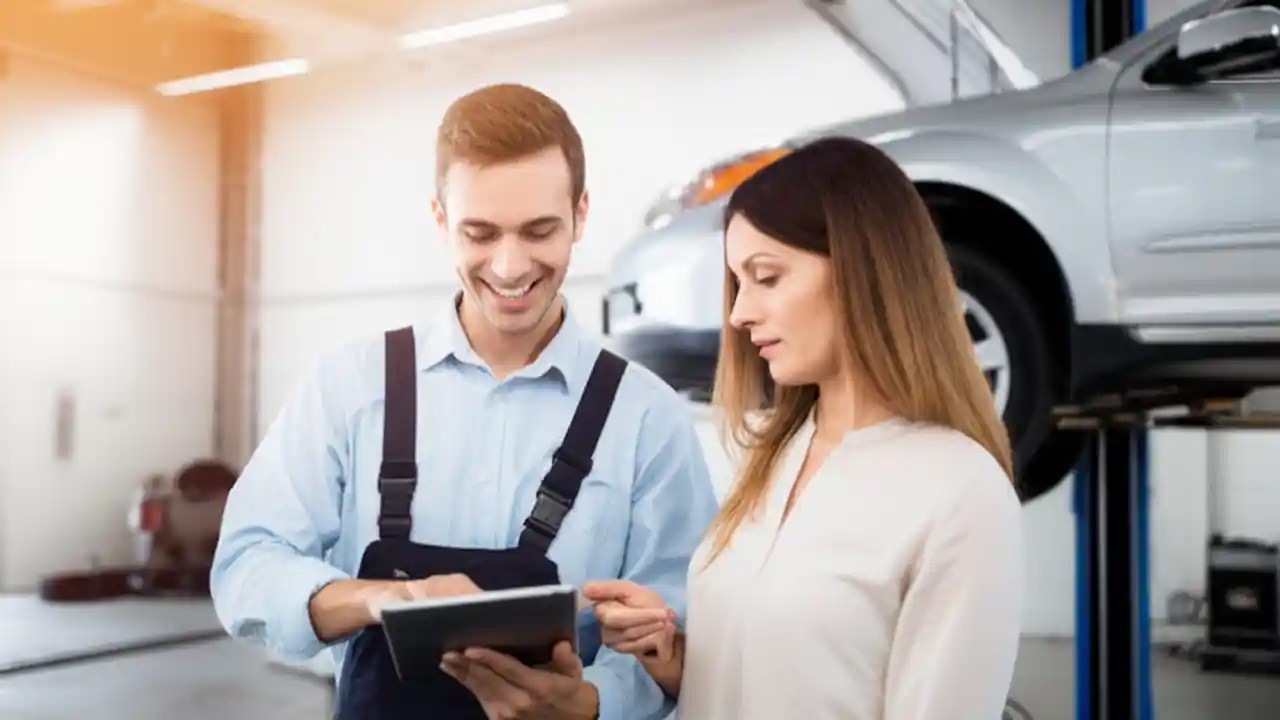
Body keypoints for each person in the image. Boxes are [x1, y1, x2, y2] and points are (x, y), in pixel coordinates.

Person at [210, 83, 719, 720]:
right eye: (480, 233)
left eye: (540, 231)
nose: (509, 267)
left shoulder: (647, 418)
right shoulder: (349, 386)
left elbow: (689, 630)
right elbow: (246, 568)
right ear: (440, 218)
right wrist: (379, 600)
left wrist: (592, 702)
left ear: (582, 214)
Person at [583, 135, 1024, 719]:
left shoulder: (960, 492)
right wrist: (671, 655)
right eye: (738, 283)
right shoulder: (773, 455)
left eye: (766, 277)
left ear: (863, 271)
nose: (739, 314)